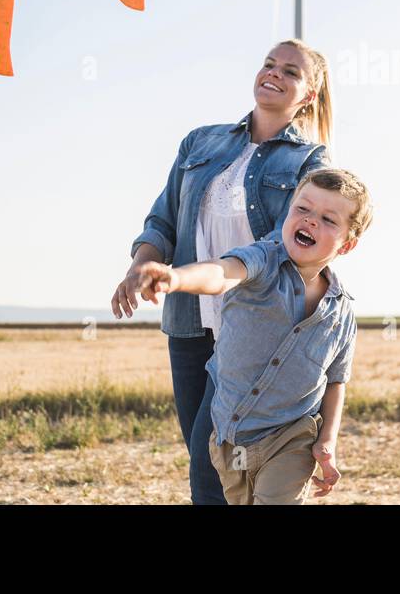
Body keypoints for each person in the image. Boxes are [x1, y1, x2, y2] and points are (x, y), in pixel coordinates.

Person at [110, 39, 333, 504]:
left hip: (252, 326)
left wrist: (193, 273)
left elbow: (278, 248)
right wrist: (139, 268)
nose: (273, 73)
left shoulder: (309, 161)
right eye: (269, 63)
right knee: (218, 460)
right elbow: (163, 221)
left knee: (206, 463)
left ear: (308, 95)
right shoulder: (200, 142)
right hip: (189, 322)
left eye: (290, 71)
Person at [123, 167, 372, 504]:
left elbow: (335, 380)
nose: (311, 221)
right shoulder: (261, 261)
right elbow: (221, 272)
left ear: (348, 244)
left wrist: (326, 441)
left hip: (291, 439)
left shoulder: (341, 312)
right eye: (303, 209)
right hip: (230, 438)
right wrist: (176, 278)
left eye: (328, 219)